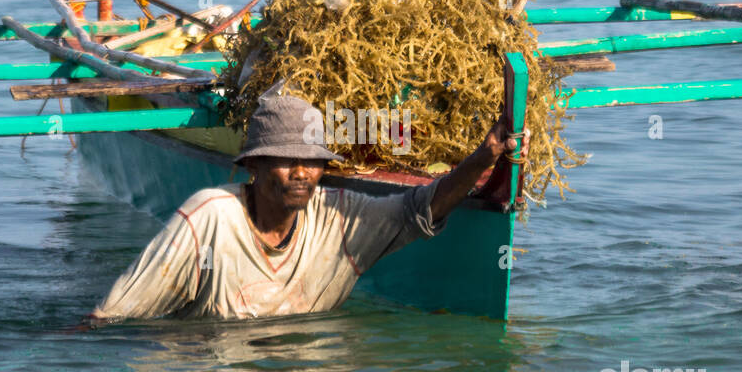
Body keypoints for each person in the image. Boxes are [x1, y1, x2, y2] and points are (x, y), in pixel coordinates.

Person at [85, 85, 527, 323]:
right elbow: (113, 317)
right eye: (286, 160)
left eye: (312, 162)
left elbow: (420, 210)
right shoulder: (210, 218)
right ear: (254, 167)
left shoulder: (341, 218)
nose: (301, 173)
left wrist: (482, 160)